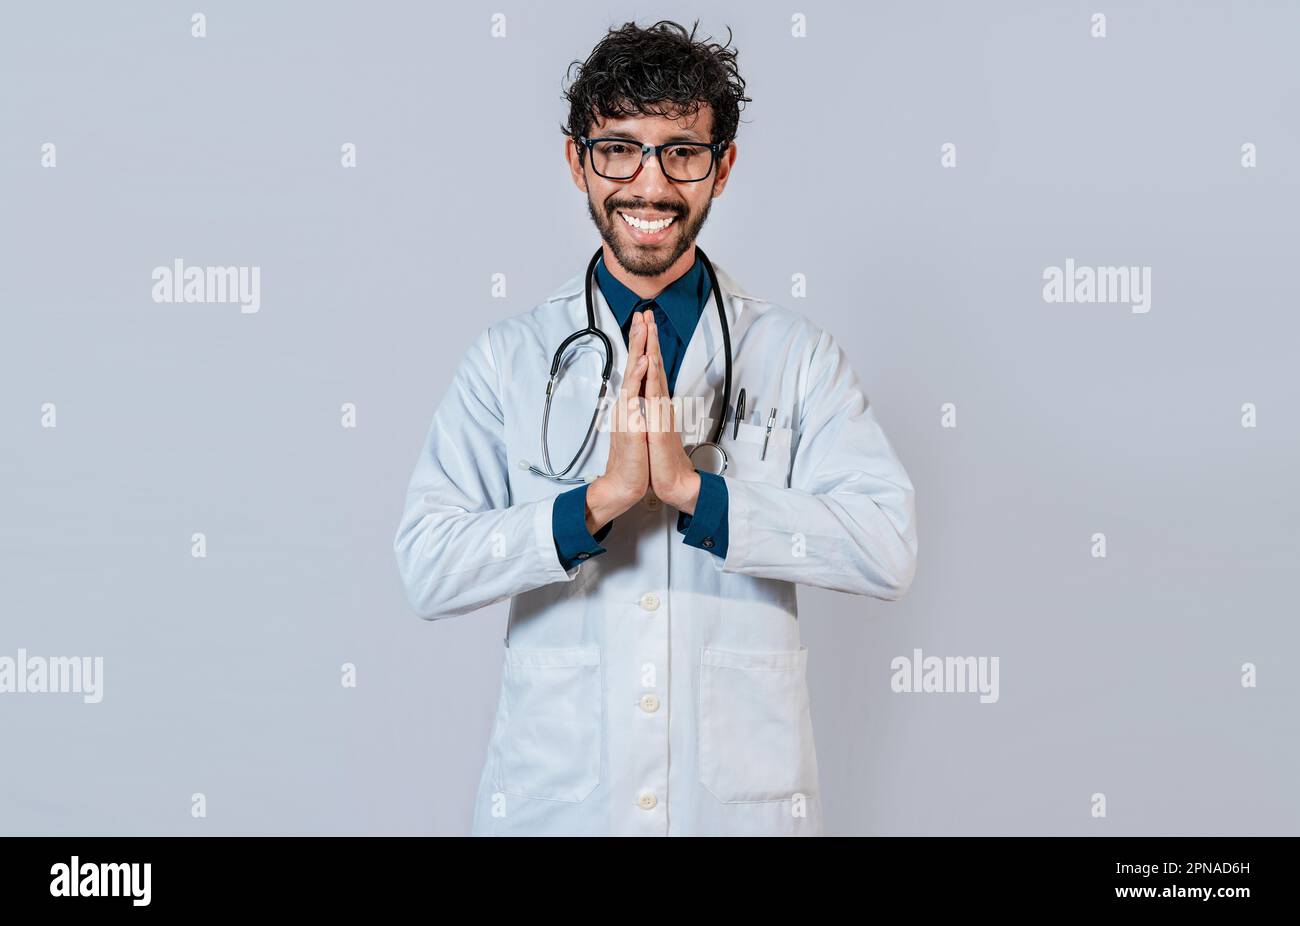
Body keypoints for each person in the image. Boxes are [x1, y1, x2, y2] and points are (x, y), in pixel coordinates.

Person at [393, 19, 917, 836]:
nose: (649, 183)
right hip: (557, 807)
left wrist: (695, 495)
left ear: (723, 168)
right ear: (577, 161)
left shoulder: (796, 356)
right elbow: (426, 567)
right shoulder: (508, 358)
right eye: (619, 149)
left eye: (682, 151)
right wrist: (592, 505)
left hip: (735, 810)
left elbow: (888, 548)